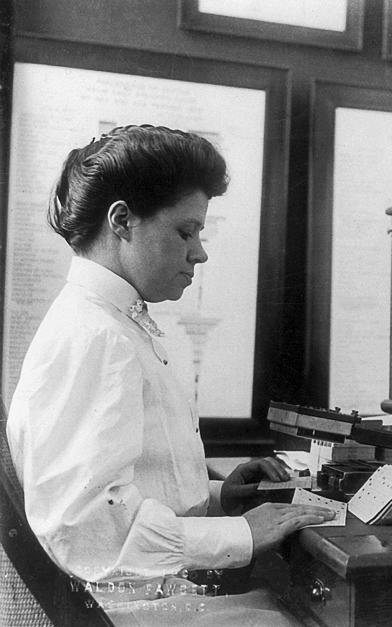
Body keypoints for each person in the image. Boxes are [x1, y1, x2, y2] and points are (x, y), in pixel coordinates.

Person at [5, 125, 333, 624]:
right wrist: (244, 533)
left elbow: (126, 483)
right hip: (124, 607)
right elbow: (85, 525)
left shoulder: (110, 322)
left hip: (140, 594)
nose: (199, 252)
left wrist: (223, 496)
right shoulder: (96, 335)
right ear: (121, 221)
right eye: (186, 231)